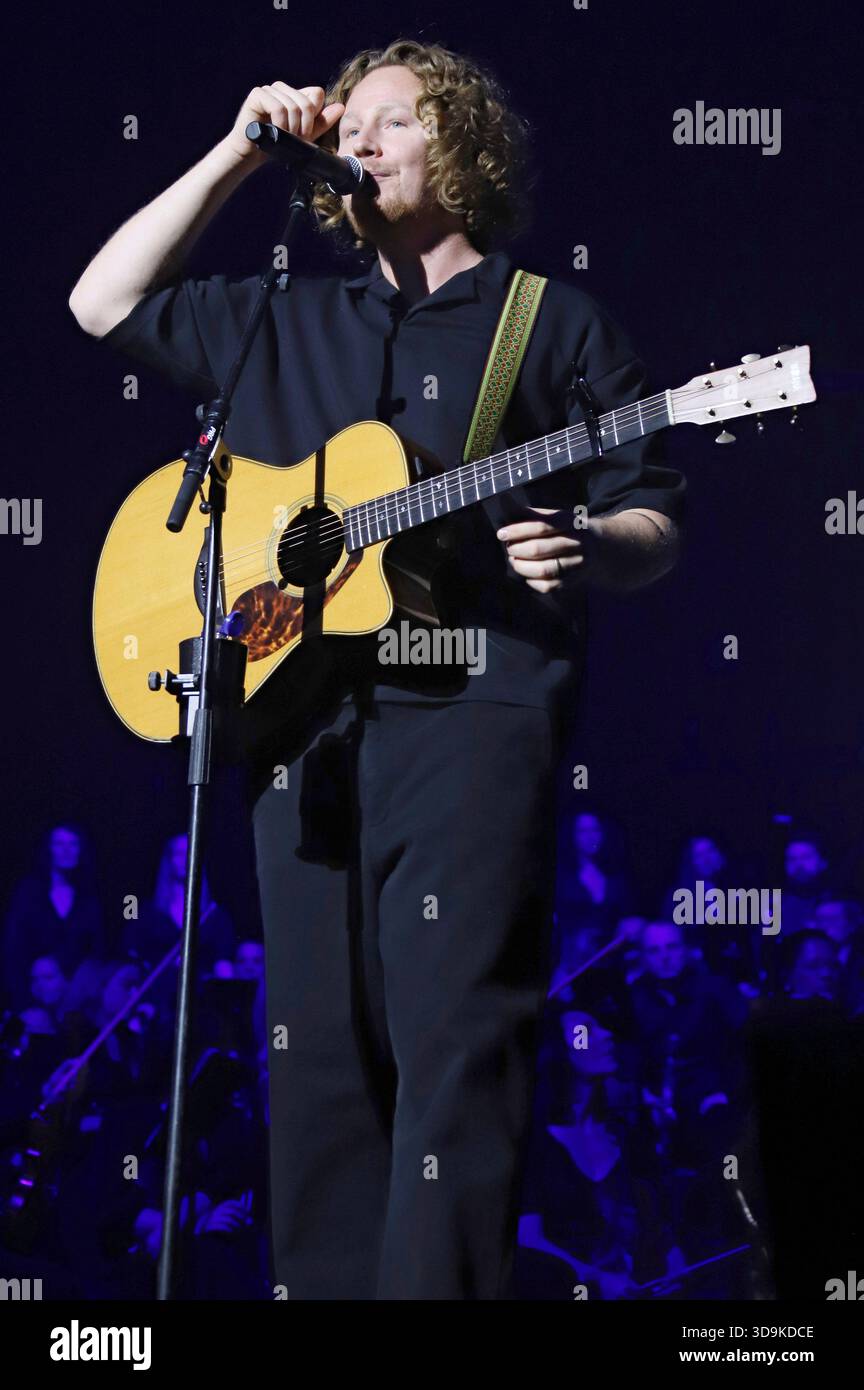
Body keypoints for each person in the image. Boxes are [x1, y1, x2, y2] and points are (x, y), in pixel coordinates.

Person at [68, 38, 685, 1299]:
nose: (357, 139)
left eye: (390, 122)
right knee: (320, 1075)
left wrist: (586, 541)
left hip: (475, 711)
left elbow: (653, 522)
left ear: (459, 147)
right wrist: (243, 146)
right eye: (345, 126)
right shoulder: (282, 322)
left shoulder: (547, 321)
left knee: (455, 1058)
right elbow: (97, 300)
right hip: (300, 730)